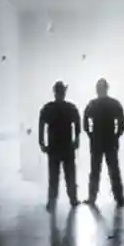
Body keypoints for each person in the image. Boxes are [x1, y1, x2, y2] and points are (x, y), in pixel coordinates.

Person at [38, 80, 81, 210]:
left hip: (54, 146)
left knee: (54, 176)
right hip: (66, 146)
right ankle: (72, 199)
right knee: (69, 175)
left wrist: (41, 142)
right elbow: (77, 125)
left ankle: (53, 201)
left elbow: (41, 125)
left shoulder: (48, 108)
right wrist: (76, 140)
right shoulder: (70, 108)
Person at [82, 78, 124, 206]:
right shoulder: (114, 104)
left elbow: (85, 122)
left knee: (95, 170)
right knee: (113, 170)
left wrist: (91, 135)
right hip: (110, 141)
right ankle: (119, 198)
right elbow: (121, 123)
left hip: (97, 141)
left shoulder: (93, 104)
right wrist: (116, 136)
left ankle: (92, 198)